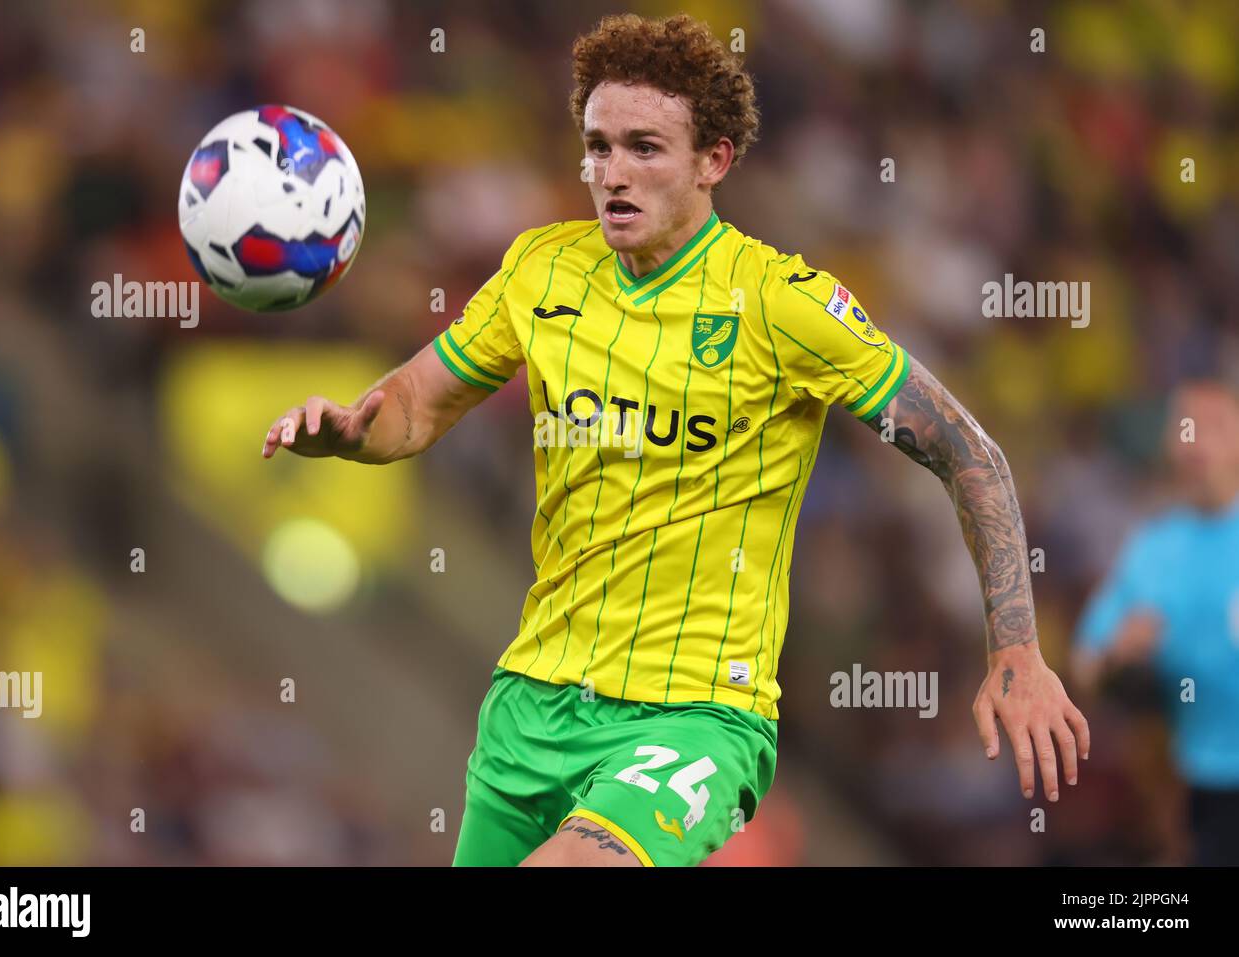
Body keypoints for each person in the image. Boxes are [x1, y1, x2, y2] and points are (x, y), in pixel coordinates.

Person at [262, 13, 1088, 866]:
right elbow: (418, 404)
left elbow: (966, 449)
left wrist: (1017, 649)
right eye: (599, 147)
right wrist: (354, 430)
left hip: (696, 715)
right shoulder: (540, 270)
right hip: (529, 704)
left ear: (714, 160)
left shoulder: (780, 302)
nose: (613, 174)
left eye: (645, 148)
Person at [1074, 379, 1239, 865]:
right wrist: (1119, 654)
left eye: (1213, 427)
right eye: (1185, 428)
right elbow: (1087, 663)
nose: (1196, 442)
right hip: (1203, 787)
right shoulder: (1154, 549)